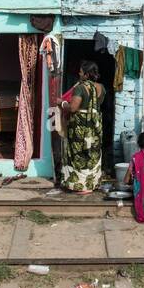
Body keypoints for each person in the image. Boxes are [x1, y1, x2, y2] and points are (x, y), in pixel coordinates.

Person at [61, 60, 104, 194]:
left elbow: (73, 108)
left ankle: (80, 186)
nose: (79, 73)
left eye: (80, 71)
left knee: (78, 153)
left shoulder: (80, 87)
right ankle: (92, 184)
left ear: (86, 74)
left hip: (81, 126)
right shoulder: (101, 88)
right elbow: (96, 105)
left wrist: (62, 103)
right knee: (92, 152)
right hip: (95, 125)